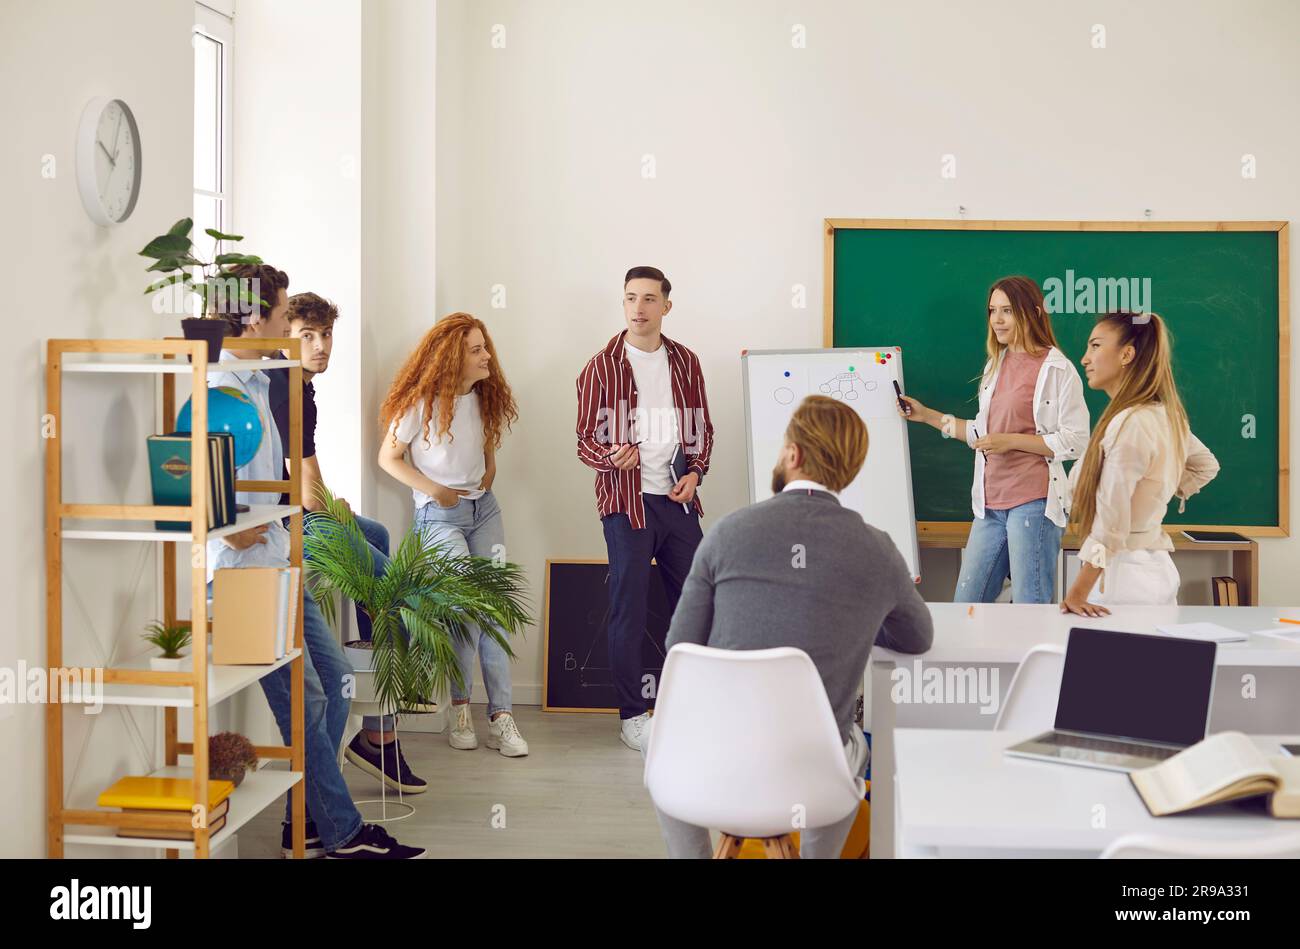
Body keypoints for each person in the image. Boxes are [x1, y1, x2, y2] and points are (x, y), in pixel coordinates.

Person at [646, 395, 933, 858]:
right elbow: (918, 637)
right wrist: (857, 617)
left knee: (661, 740)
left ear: (793, 455)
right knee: (854, 747)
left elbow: (680, 644)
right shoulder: (877, 550)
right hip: (812, 780)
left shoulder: (727, 532)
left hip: (710, 770)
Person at [209, 264, 424, 859]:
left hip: (281, 560)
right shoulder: (223, 387)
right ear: (256, 318)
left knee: (335, 683)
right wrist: (228, 525)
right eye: (286, 319)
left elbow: (283, 483)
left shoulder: (263, 379)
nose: (298, 335)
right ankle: (335, 828)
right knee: (311, 702)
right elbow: (195, 480)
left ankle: (314, 819)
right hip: (244, 580)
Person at [268, 291, 426, 794]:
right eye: (306, 336)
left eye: (325, 335)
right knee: (385, 573)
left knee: (376, 532)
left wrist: (339, 511)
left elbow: (309, 474)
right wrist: (333, 513)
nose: (319, 346)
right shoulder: (280, 383)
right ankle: (379, 732)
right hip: (284, 526)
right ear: (284, 337)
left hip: (298, 513)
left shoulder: (303, 387)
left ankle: (371, 655)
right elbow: (307, 491)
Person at [575, 266, 714, 750]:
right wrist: (611, 457)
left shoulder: (687, 362)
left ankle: (690, 706)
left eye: (649, 299)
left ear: (666, 306)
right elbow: (584, 440)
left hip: (678, 503)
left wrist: (695, 473)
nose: (639, 308)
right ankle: (633, 716)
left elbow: (702, 431)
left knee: (699, 604)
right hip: (626, 505)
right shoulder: (601, 367)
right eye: (631, 298)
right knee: (628, 610)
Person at [377, 313, 528, 757]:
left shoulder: (484, 396)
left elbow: (486, 449)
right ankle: (460, 709)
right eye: (476, 349)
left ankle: (502, 717)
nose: (487, 356)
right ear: (451, 356)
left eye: (485, 347)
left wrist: (487, 476)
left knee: (494, 612)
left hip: (484, 511)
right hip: (440, 516)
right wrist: (436, 491)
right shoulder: (419, 403)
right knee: (464, 612)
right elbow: (389, 458)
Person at [899, 275, 1089, 604]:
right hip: (988, 505)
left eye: (1007, 311)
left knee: (1031, 605)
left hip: (1033, 502)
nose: (997, 320)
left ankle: (1036, 658)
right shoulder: (995, 365)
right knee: (967, 605)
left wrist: (1012, 441)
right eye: (992, 310)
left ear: (1032, 312)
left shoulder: (1057, 369)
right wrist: (927, 415)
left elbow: (1076, 440)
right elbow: (983, 435)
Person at [1061, 312, 1220, 615]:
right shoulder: (1164, 415)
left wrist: (1078, 592)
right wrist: (1154, 490)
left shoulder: (1130, 423)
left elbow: (1111, 521)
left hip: (1122, 580)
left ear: (1127, 354)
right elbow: (1205, 465)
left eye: (1095, 346)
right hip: (1154, 568)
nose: (1084, 358)